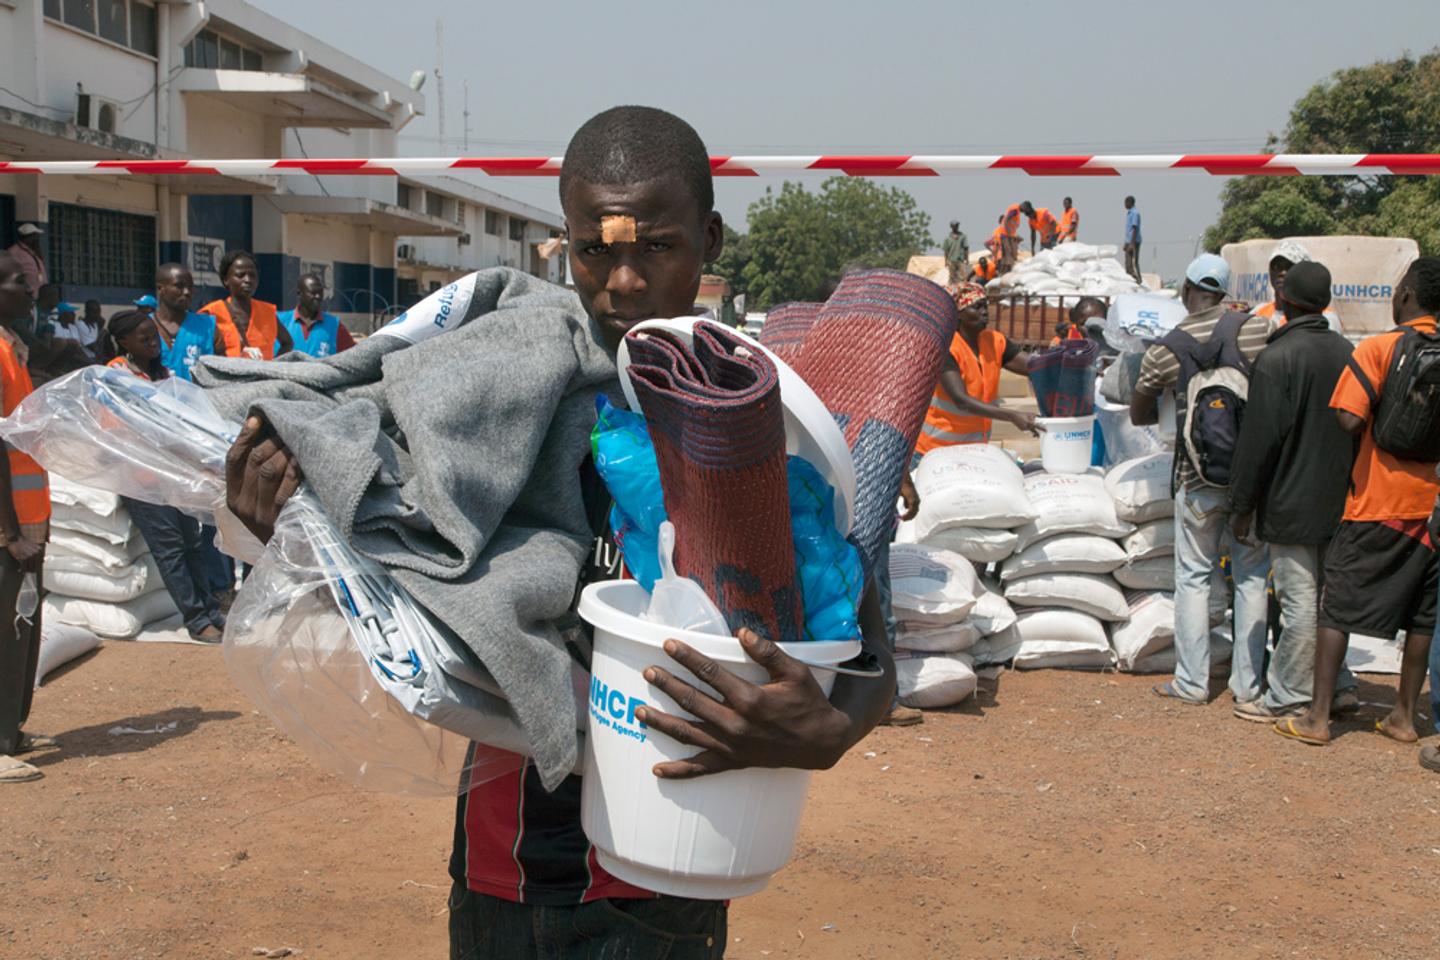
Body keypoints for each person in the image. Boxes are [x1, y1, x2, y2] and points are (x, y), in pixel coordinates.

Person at [223, 105, 897, 959]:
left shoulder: (758, 425)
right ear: (565, 243)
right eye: (594, 251)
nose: (624, 282)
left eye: (658, 247)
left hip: (676, 864)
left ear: (711, 241)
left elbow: (873, 652)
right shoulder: (497, 395)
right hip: (504, 865)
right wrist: (290, 514)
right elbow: (399, 546)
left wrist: (832, 731)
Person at [1276, 257, 1440, 748]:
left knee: (1335, 607)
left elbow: (1348, 419)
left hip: (1377, 500)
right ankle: (1403, 717)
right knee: (1422, 615)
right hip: (1431, 507)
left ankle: (1317, 718)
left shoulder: (1379, 348)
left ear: (1406, 294)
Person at [1130, 254, 1271, 705]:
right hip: (1250, 480)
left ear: (1187, 290)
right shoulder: (1255, 329)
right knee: (1252, 576)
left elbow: (1138, 413)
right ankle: (1248, 685)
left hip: (1196, 478)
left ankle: (1192, 683)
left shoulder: (1166, 348)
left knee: (1193, 578)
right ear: (1225, 293)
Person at [1226, 262, 1359, 721]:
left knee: (1299, 603)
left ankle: (1288, 695)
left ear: (1284, 300)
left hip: (1290, 501)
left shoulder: (1277, 358)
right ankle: (1338, 686)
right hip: (1341, 501)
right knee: (1327, 602)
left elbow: (1258, 442)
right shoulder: (1348, 353)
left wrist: (1241, 506)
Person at [102, 309, 226, 643]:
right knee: (170, 548)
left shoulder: (163, 374)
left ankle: (210, 610)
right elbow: (116, 427)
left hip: (172, 473)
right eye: (143, 338)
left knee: (192, 544)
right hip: (140, 477)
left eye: (153, 336)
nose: (152, 342)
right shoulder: (115, 374)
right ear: (124, 342)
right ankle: (197, 620)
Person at [0, 251, 54, 784]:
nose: (31, 288)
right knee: (3, 631)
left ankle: (10, 731)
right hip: (10, 526)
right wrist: (9, 533)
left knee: (22, 628)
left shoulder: (12, 346)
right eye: (20, 282)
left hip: (30, 517)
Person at [151, 263, 236, 602]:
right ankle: (187, 586)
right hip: (158, 435)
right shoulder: (144, 328)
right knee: (172, 512)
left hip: (202, 433)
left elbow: (223, 376)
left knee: (212, 507)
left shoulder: (207, 327)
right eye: (178, 286)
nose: (187, 292)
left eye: (190, 286)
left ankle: (221, 585)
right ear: (160, 288)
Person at [914, 282, 1038, 460]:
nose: (985, 312)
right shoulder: (946, 347)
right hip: (936, 449)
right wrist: (1012, 416)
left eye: (985, 306)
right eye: (976, 307)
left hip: (975, 448)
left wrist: (1062, 362)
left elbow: (1034, 367)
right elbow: (961, 401)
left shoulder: (994, 341)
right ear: (958, 314)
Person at [200, 251, 293, 360]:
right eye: (240, 275)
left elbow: (287, 343)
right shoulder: (211, 313)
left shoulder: (267, 312)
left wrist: (274, 365)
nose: (248, 280)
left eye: (252, 276)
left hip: (263, 371)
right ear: (226, 280)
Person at [1250, 240, 1343, 335]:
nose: (1282, 272)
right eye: (1276, 266)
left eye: (1290, 267)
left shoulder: (1324, 319)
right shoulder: (1258, 313)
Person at [276, 273, 356, 358]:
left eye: (320, 292)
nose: (318, 296)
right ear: (299, 294)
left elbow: (352, 357)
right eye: (313, 293)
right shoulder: (279, 321)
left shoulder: (334, 325)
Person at [5, 223, 47, 299]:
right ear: (29, 236)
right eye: (35, 236)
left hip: (40, 294)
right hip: (27, 295)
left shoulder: (32, 251)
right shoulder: (14, 252)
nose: (37, 239)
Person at [1122, 196, 1142, 283]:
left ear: (1130, 203)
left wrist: (1132, 243)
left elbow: (1134, 228)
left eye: (1126, 203)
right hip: (1129, 241)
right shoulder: (1129, 213)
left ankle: (1138, 279)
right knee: (1128, 262)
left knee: (1134, 261)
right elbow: (1129, 230)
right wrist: (1126, 243)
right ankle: (1131, 277)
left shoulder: (1134, 213)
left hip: (1134, 241)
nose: (1125, 205)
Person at [1000, 203, 1023, 274]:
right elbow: (1007, 219)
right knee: (1009, 253)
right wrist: (1009, 233)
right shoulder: (1015, 211)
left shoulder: (1016, 211)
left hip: (1010, 235)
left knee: (1011, 254)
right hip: (1007, 235)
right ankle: (1007, 272)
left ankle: (1006, 272)